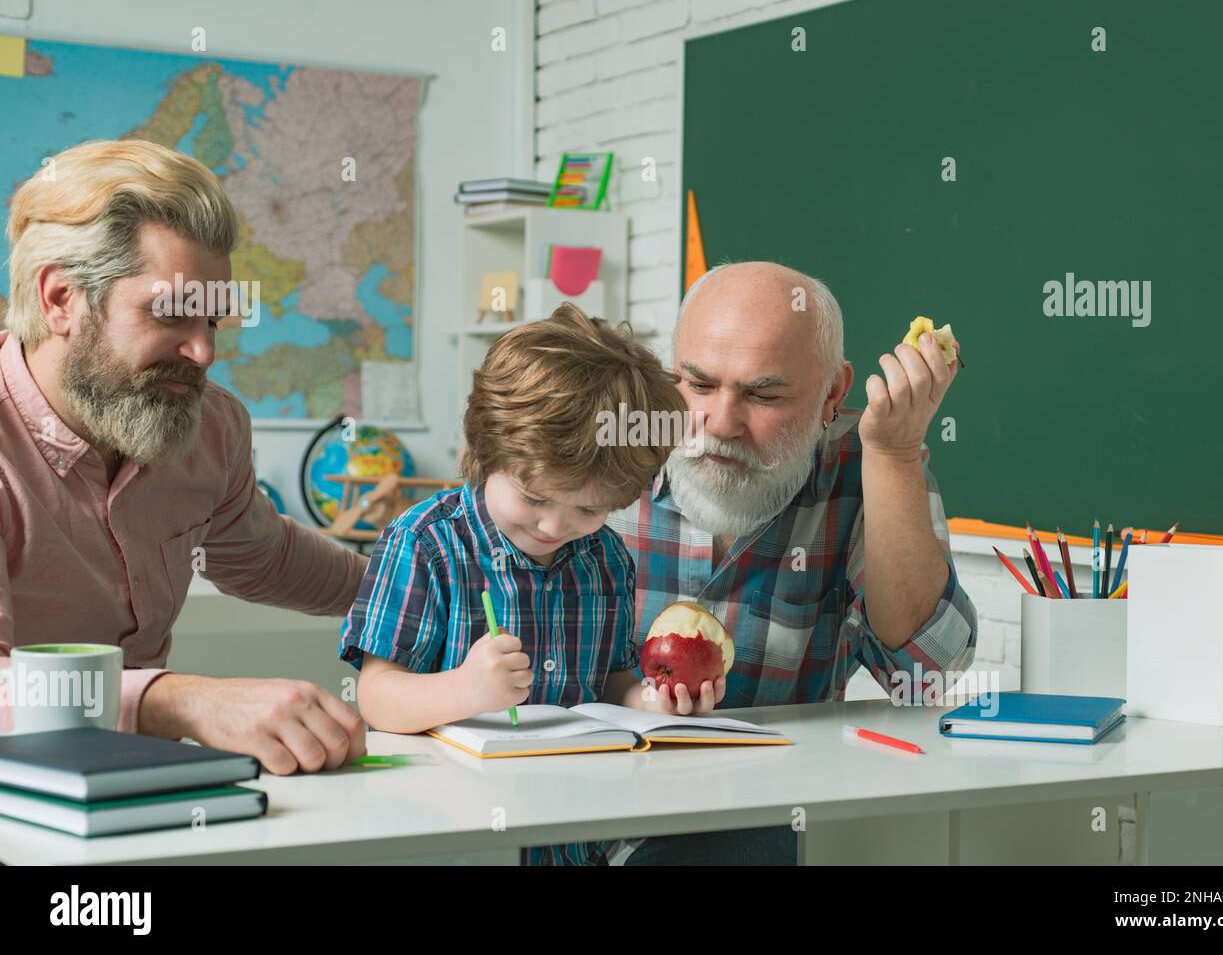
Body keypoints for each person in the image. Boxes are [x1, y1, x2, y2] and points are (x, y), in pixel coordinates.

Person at [0, 139, 368, 773]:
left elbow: (261, 555)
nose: (203, 353)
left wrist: (415, 585)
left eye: (214, 322)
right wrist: (180, 701)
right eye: (170, 313)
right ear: (61, 299)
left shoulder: (209, 425)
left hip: (139, 793)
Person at [607, 261, 978, 864]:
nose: (720, 424)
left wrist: (894, 454)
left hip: (751, 820)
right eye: (698, 385)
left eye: (763, 394)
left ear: (834, 392)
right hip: (575, 799)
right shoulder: (611, 444)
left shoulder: (874, 465)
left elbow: (928, 673)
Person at [339, 302, 693, 864]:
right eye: (531, 497)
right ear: (486, 450)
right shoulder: (426, 544)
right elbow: (377, 696)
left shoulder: (607, 561)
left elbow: (610, 680)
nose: (555, 526)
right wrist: (465, 690)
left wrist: (648, 700)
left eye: (588, 508)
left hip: (577, 833)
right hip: (453, 836)